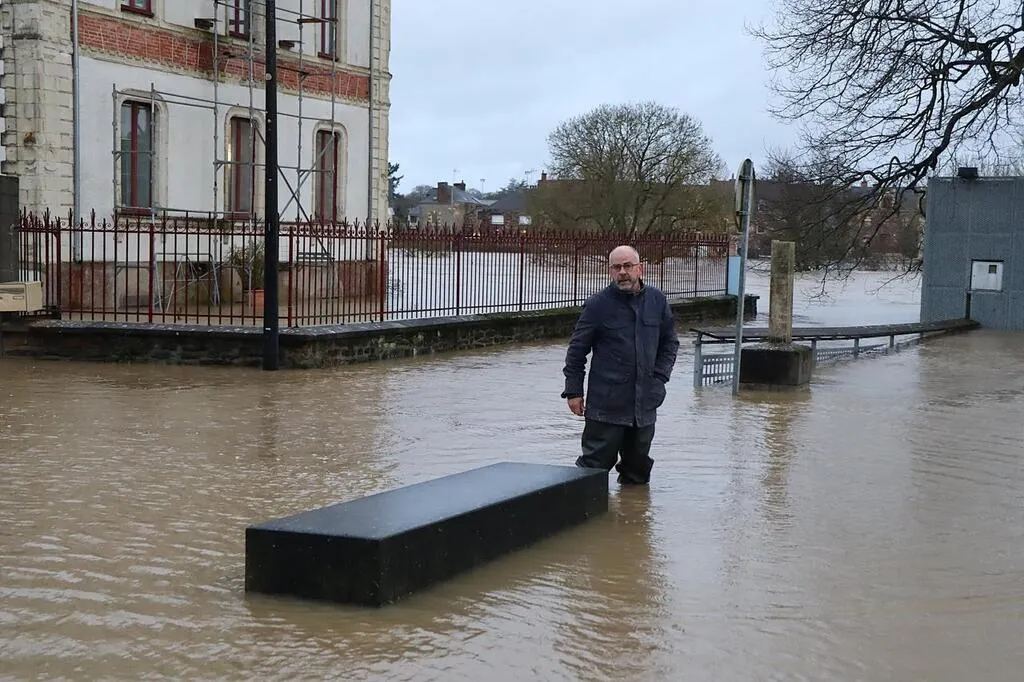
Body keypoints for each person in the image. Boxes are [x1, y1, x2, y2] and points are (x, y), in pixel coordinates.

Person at [560, 245, 680, 485]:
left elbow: (670, 344)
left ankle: (631, 510)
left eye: (628, 266)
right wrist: (573, 391)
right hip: (606, 405)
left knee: (638, 473)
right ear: (610, 271)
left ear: (640, 269)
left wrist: (659, 379)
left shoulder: (656, 300)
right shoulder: (597, 305)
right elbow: (577, 351)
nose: (623, 272)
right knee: (592, 471)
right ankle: (588, 508)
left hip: (644, 404)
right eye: (617, 267)